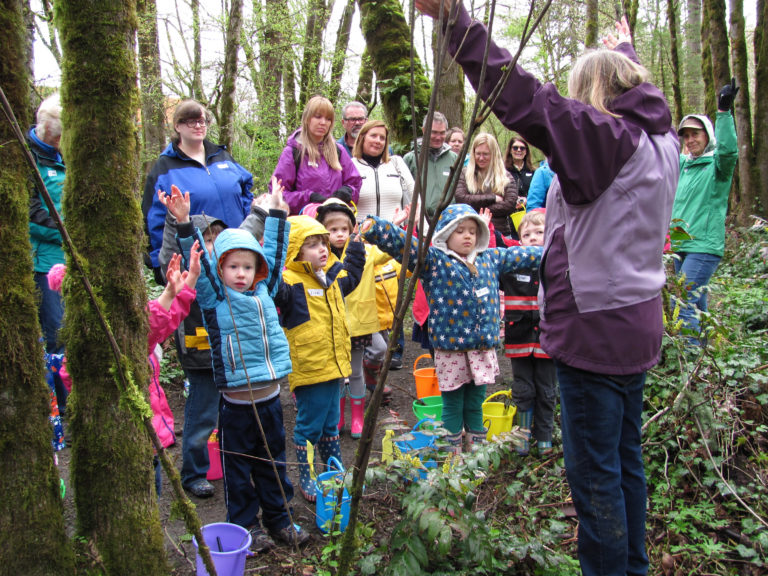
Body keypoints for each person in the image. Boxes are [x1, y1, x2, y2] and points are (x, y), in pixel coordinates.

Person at [415, 2, 679, 573]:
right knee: (625, 460)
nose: (576, 107)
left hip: (594, 333)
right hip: (635, 325)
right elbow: (631, 90)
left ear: (596, 96)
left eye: (583, 93)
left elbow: (524, 99)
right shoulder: (660, 139)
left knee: (597, 477)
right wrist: (624, 51)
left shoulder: (608, 142)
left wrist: (456, 21)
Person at [164, 184, 310, 552]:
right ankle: (247, 526)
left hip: (270, 399)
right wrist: (183, 223)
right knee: (238, 470)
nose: (241, 274)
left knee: (273, 463)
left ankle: (280, 519)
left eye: (248, 266)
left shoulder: (266, 289)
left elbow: (275, 256)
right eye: (233, 266)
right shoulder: (215, 297)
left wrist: (277, 214)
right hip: (235, 405)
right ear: (221, 268)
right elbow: (201, 262)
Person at [362, 204, 541, 453]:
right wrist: (377, 228)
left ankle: (475, 453)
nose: (467, 235)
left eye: (472, 230)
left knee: (475, 401)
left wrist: (560, 248)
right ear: (446, 234)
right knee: (453, 402)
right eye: (459, 231)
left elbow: (523, 256)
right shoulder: (434, 261)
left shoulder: (490, 257)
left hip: (482, 347)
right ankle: (451, 455)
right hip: (451, 349)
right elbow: (406, 245)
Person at [143, 99, 253, 498]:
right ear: (176, 126)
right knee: (204, 393)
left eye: (202, 118)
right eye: (188, 120)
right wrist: (175, 271)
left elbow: (249, 196)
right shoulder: (165, 167)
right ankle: (193, 471)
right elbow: (163, 233)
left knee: (238, 393)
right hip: (193, 303)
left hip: (232, 275)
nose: (197, 125)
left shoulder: (223, 157)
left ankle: (236, 460)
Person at [274, 214, 365, 501]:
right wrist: (274, 226)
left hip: (335, 365)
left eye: (323, 243)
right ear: (295, 251)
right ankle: (307, 475)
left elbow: (351, 276)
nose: (322, 250)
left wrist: (356, 246)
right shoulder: (289, 282)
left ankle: (333, 470)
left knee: (330, 424)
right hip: (311, 369)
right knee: (309, 426)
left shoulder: (329, 277)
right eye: (312, 245)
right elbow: (271, 285)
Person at [670, 80, 739, 343]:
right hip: (680, 243)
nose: (690, 140)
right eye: (686, 135)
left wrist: (723, 112)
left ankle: (689, 360)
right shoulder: (682, 165)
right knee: (697, 304)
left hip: (704, 245)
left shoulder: (717, 166)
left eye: (695, 134)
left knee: (684, 301)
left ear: (707, 136)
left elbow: (729, 150)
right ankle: (706, 361)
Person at [351, 120, 414, 369]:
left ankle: (393, 350)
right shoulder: (352, 165)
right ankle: (368, 355)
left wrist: (410, 219)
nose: (378, 141)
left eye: (382, 137)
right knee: (367, 289)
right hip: (361, 237)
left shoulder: (395, 164)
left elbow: (411, 191)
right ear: (362, 138)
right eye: (373, 136)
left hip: (393, 233)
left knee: (391, 288)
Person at [500, 210, 556, 456]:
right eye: (527, 234)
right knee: (523, 387)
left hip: (548, 340)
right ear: (520, 240)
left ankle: (544, 436)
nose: (533, 238)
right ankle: (523, 435)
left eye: (539, 232)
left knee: (547, 388)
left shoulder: (556, 265)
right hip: (519, 339)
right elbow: (492, 259)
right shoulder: (511, 265)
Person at [146, 252, 200, 495]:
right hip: (139, 435)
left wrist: (184, 287)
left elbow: (164, 320)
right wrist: (170, 293)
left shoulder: (140, 336)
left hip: (152, 435)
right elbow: (156, 323)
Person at [28, 94, 68, 413]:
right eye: (57, 137)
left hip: (71, 261)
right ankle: (62, 407)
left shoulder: (65, 156)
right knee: (55, 334)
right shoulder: (28, 159)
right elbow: (31, 216)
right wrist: (68, 232)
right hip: (44, 262)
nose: (59, 142)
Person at [271, 95, 362, 214]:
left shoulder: (338, 150)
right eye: (318, 117)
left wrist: (347, 192)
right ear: (307, 118)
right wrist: (308, 197)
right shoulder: (293, 152)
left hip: (335, 222)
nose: (323, 123)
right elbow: (278, 193)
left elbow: (355, 182)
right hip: (305, 225)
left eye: (328, 119)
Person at [454, 132, 518, 237]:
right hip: (472, 233)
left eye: (485, 154)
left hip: (500, 234)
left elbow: (509, 205)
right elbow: (461, 198)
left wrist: (476, 208)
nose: (481, 158)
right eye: (478, 154)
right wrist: (492, 198)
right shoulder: (465, 174)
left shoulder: (505, 177)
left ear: (493, 154)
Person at [403, 112, 458, 219]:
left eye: (442, 133)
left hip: (449, 219)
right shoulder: (411, 159)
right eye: (434, 132)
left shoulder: (454, 158)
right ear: (424, 131)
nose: (438, 137)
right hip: (420, 221)